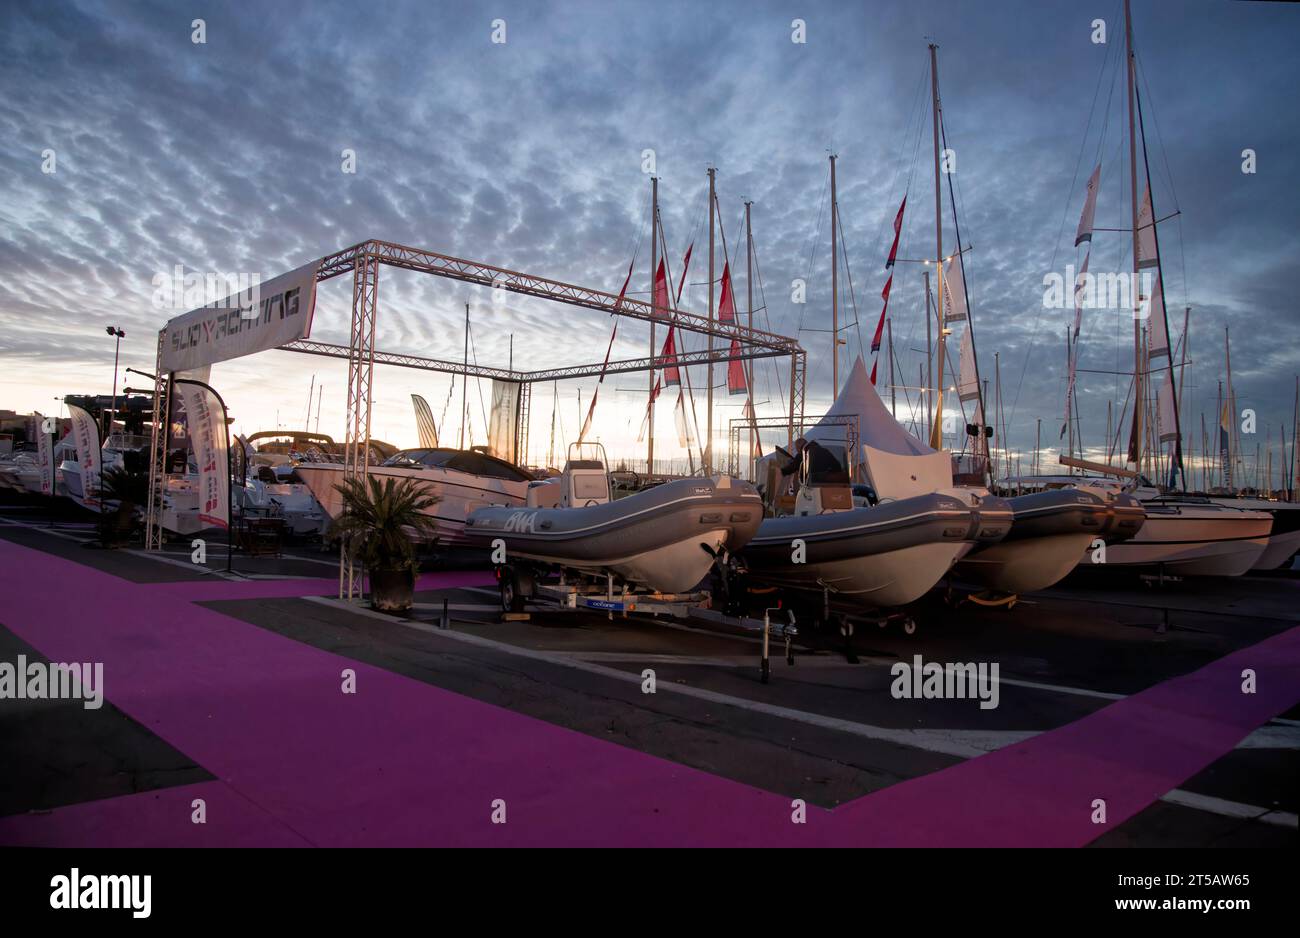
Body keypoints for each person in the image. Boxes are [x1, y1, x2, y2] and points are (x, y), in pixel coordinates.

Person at [780, 437, 847, 485]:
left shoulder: (803, 454)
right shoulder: (825, 451)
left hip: (810, 485)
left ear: (798, 447)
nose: (797, 451)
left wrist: (781, 471)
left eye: (797, 448)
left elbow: (791, 468)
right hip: (826, 484)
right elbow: (837, 466)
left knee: (797, 476)